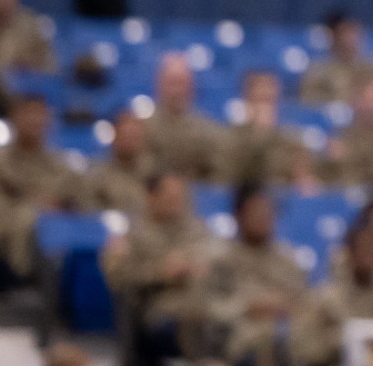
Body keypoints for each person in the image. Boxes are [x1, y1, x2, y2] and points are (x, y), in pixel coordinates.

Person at [0, 94, 86, 281]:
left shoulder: (62, 164)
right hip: (12, 236)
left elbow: (80, 203)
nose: (34, 119)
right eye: (28, 112)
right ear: (13, 117)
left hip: (62, 234)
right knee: (36, 227)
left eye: (40, 113)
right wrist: (37, 209)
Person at [101, 172, 217, 366]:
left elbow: (218, 261)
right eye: (170, 199)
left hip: (205, 305)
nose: (177, 205)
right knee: (200, 330)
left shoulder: (199, 232)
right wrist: (161, 272)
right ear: (151, 197)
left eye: (180, 199)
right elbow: (117, 278)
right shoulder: (131, 237)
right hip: (160, 312)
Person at [288, 214, 373, 366]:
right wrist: (345, 340)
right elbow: (302, 347)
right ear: (349, 253)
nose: (370, 254)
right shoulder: (326, 299)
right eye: (364, 248)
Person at [202, 185, 307, 366]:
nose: (263, 218)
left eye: (267, 212)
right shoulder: (221, 260)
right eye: (256, 213)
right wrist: (248, 307)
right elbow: (208, 306)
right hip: (239, 339)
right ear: (239, 215)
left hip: (289, 337)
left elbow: (305, 303)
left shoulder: (289, 261)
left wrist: (288, 308)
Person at [298, 9, 373, 109]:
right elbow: (308, 104)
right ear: (332, 36)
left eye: (354, 31)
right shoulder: (318, 72)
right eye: (344, 32)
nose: (351, 38)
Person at [144, 51, 227, 182]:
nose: (177, 91)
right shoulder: (143, 129)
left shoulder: (208, 130)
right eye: (172, 82)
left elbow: (219, 174)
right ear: (159, 85)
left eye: (181, 83)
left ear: (192, 87)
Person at [222, 70, 313, 188]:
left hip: (282, 198)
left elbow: (304, 181)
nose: (266, 92)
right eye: (260, 92)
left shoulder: (292, 140)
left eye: (270, 88)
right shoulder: (229, 138)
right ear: (246, 96)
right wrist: (258, 131)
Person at [85, 109, 154, 215]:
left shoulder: (154, 173)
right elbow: (89, 212)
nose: (130, 142)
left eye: (135, 137)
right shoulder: (97, 174)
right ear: (115, 136)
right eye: (126, 136)